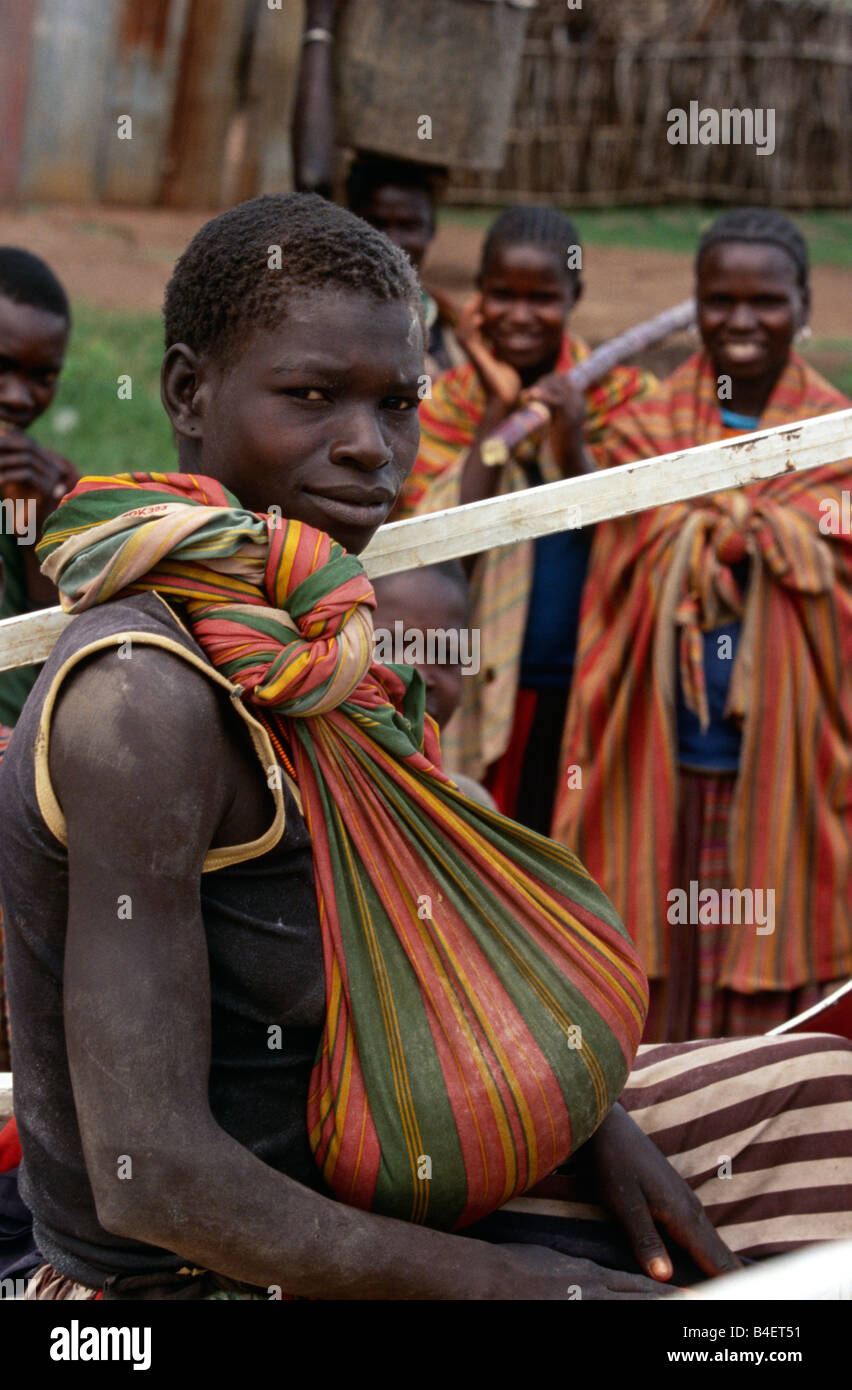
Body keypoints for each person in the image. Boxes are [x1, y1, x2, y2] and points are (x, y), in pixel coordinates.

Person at [1, 195, 850, 1302]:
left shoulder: (305, 644)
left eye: (399, 404)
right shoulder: (143, 702)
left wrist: (592, 1124)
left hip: (384, 1166)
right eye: (311, 397)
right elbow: (151, 1182)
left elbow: (420, 968)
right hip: (195, 1279)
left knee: (821, 1105)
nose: (370, 447)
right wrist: (534, 1287)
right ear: (185, 391)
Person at [551, 208, 852, 1042]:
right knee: (657, 946)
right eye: (721, 300)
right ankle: (663, 1123)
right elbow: (609, 541)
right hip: (657, 752)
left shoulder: (837, 439)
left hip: (785, 764)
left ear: (804, 303)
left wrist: (769, 534)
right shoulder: (649, 431)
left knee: (769, 945)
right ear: (694, 305)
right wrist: (581, 445)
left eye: (767, 300)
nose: (743, 321)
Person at [393, 206, 655, 832]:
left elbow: (635, 538)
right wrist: (499, 415)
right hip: (478, 681)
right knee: (484, 840)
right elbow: (444, 550)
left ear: (575, 298)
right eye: (502, 295)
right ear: (479, 299)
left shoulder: (621, 398)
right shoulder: (447, 404)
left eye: (542, 298)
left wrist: (568, 441)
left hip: (584, 676)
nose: (519, 314)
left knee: (568, 838)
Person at [291, 0, 462, 376]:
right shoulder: (327, 303)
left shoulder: (445, 327)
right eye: (376, 222)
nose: (391, 240)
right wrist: (319, 28)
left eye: (409, 225)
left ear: (432, 228)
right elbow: (312, 180)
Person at [0, 248, 78, 728]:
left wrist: (38, 527)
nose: (17, 397)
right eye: (1, 365)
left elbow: (44, 648)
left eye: (42, 377)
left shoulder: (38, 486)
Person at [371, 560, 496, 809]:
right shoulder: (291, 801)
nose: (419, 678)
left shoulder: (472, 806)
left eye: (446, 655)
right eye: (388, 647)